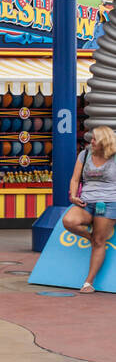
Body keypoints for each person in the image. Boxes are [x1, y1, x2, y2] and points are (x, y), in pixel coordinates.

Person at [64, 125, 116, 293]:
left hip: (108, 202)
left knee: (100, 242)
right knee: (69, 221)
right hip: (86, 202)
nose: (91, 141)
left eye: (95, 139)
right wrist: (73, 195)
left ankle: (88, 282)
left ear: (104, 142)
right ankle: (91, 237)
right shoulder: (84, 154)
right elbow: (74, 179)